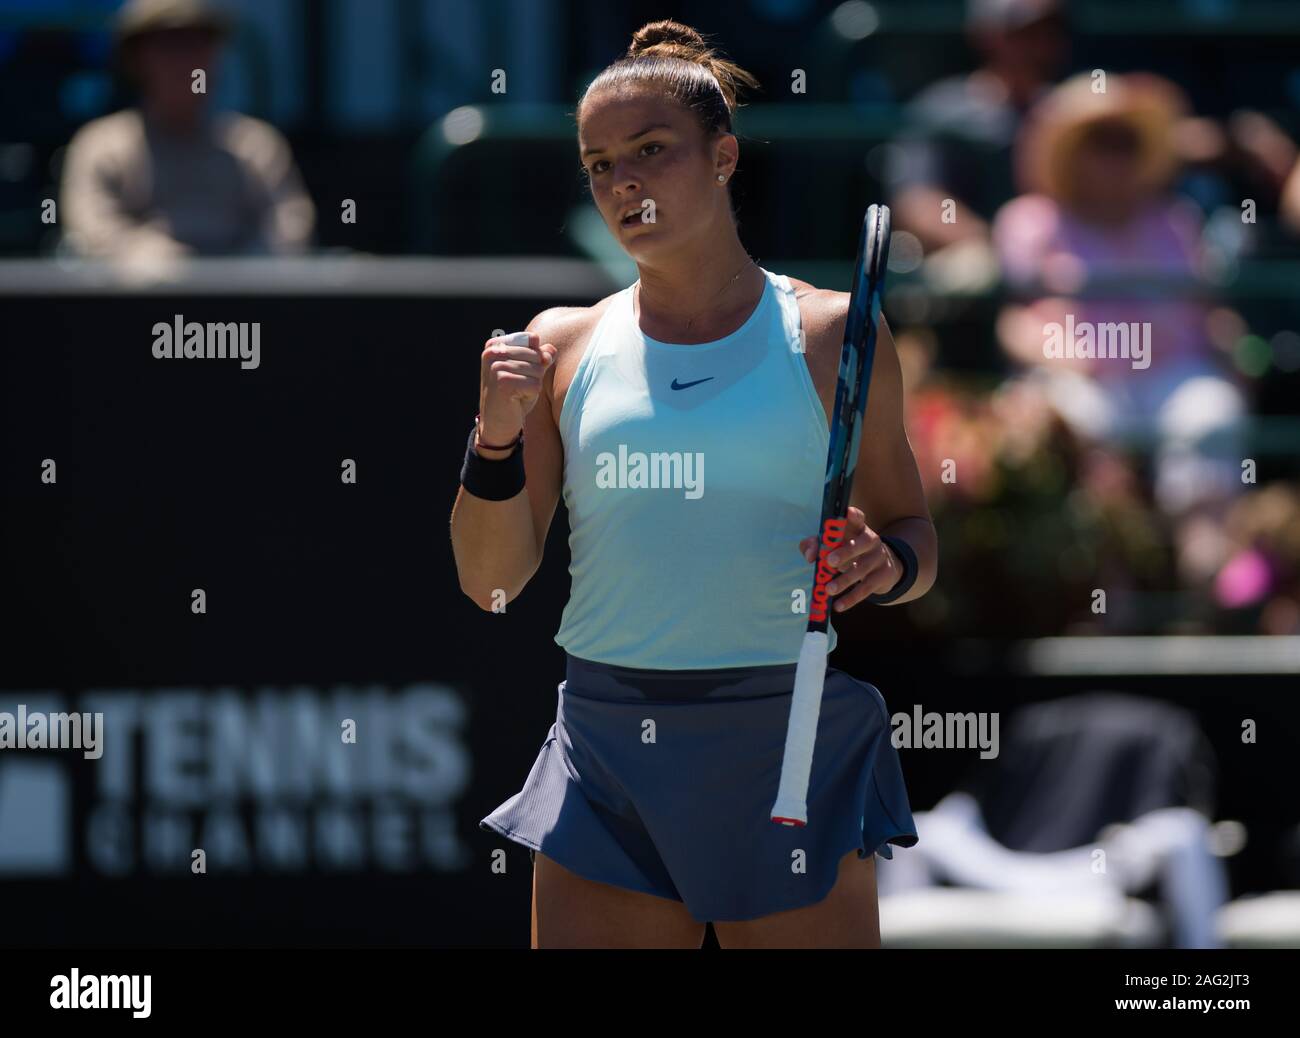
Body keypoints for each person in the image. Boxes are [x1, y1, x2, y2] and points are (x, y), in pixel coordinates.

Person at [451, 20, 936, 949]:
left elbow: (915, 534)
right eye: (599, 165)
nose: (622, 182)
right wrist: (494, 440)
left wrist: (889, 566)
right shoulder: (560, 346)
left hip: (786, 742)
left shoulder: (835, 337)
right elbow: (490, 581)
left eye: (650, 151)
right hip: (606, 752)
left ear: (724, 158)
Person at [992, 72, 1248, 584]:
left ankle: (1206, 593)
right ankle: (1108, 594)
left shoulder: (1176, 220)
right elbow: (1013, 321)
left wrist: (1238, 357)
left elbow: (1213, 313)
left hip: (1175, 373)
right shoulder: (1030, 222)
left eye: (1125, 143)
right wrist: (1057, 358)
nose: (1115, 157)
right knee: (1081, 423)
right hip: (1077, 378)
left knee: (1213, 413)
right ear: (1074, 153)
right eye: (1101, 143)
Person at [59, 0, 314, 263]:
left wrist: (237, 273)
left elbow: (290, 224)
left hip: (241, 299)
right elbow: (90, 229)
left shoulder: (256, 146)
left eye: (198, 43)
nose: (187, 62)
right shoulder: (102, 146)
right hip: (139, 300)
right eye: (171, 45)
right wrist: (148, 260)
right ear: (137, 58)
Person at [884, 0, 1068, 262]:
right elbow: (916, 202)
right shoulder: (941, 108)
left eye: (1050, 32)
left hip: (1056, 257)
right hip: (973, 258)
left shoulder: (1070, 111)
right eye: (1022, 34)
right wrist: (999, 246)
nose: (1038, 45)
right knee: (974, 273)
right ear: (988, 36)